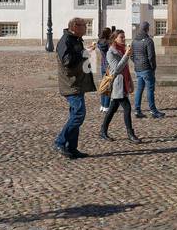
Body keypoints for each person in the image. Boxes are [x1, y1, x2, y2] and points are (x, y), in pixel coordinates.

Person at [54, 17, 93, 159]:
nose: (86, 28)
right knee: (78, 115)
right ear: (75, 27)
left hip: (78, 83)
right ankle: (60, 141)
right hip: (71, 84)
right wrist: (84, 53)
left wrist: (86, 53)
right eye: (84, 26)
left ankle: (72, 147)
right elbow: (67, 61)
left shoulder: (75, 40)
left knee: (75, 115)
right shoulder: (66, 41)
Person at [99, 30, 140, 143]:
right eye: (121, 37)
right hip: (117, 84)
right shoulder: (110, 52)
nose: (123, 39)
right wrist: (126, 55)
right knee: (127, 108)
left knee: (112, 109)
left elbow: (126, 69)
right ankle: (130, 134)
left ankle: (103, 130)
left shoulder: (122, 50)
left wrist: (130, 82)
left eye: (124, 36)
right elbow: (116, 69)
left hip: (124, 83)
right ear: (115, 38)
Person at [131, 21, 164, 119]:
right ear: (146, 29)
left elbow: (131, 55)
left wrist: (137, 63)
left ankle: (137, 110)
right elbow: (151, 57)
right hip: (147, 69)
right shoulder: (148, 41)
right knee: (150, 90)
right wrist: (153, 68)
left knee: (139, 89)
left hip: (138, 69)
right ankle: (153, 111)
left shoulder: (134, 41)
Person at [95, 26, 114, 114]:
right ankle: (106, 106)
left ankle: (102, 105)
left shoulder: (99, 42)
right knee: (108, 87)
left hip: (102, 64)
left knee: (103, 85)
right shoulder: (108, 43)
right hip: (108, 65)